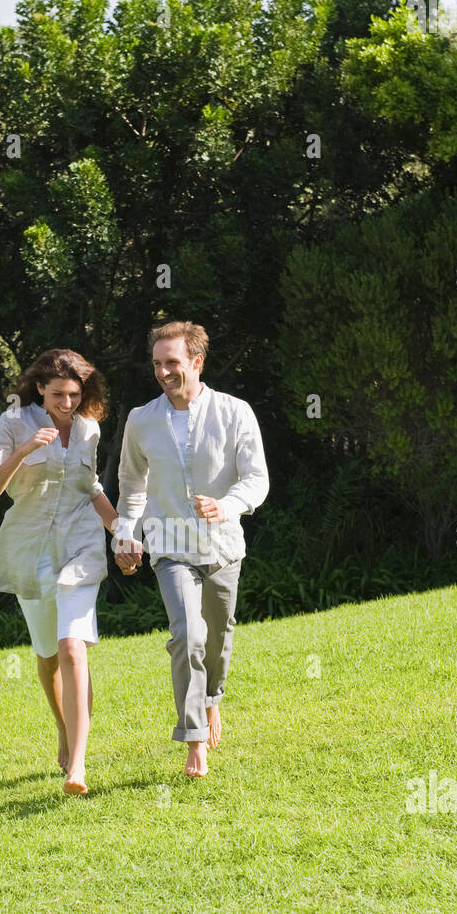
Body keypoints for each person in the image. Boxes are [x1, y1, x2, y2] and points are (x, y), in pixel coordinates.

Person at [112, 321, 269, 777]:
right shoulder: (142, 420)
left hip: (223, 545)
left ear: (196, 363)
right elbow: (131, 484)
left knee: (218, 639)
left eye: (172, 363)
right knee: (187, 635)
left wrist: (227, 505)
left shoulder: (235, 412)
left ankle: (212, 697)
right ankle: (194, 737)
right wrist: (126, 534)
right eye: (157, 363)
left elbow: (256, 478)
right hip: (170, 546)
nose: (162, 372)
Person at [0, 350, 119, 796]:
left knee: (74, 648)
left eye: (76, 394)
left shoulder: (89, 429)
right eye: (59, 394)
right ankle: (63, 726)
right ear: (40, 388)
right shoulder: (14, 422)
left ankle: (78, 765)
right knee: (48, 655)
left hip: (80, 545)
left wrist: (122, 533)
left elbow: (89, 486)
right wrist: (23, 450)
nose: (68, 403)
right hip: (31, 550)